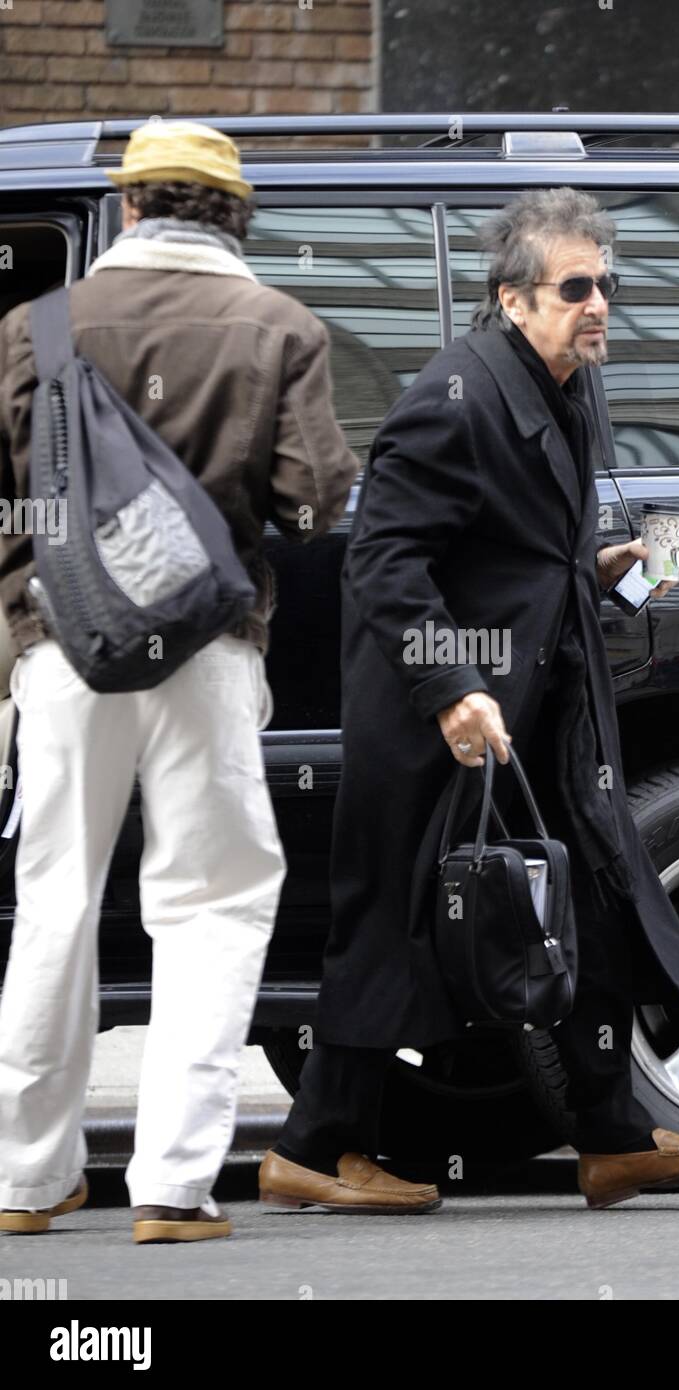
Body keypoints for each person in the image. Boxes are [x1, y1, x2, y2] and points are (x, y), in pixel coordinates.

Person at [259, 187, 679, 1214]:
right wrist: (449, 687)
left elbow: (519, 549)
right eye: (575, 287)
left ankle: (613, 1138)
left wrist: (614, 564)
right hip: (448, 717)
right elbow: (387, 563)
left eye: (605, 284)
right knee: (395, 928)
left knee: (594, 898)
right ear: (512, 298)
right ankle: (313, 1146)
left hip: (546, 705)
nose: (598, 303)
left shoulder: (567, 383)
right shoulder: (455, 395)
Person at [0, 118, 359, 1241]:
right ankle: (172, 1188)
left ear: (133, 208)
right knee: (209, 904)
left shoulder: (38, 325)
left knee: (53, 901)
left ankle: (27, 1181)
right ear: (235, 217)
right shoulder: (280, 326)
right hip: (207, 647)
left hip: (63, 648)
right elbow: (314, 503)